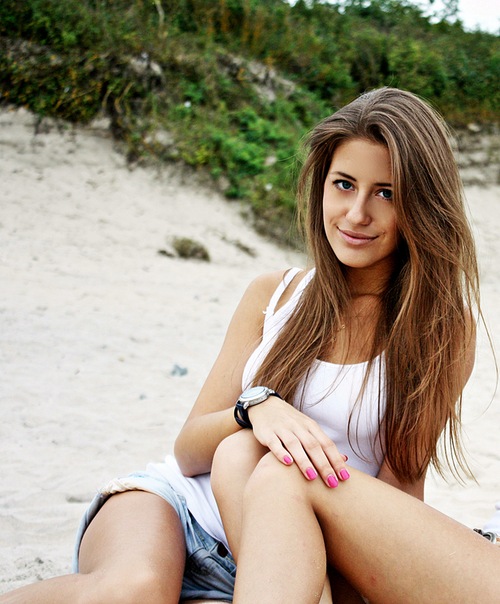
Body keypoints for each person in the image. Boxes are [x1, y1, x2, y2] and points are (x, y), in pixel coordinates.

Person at [0, 86, 493, 603]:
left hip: (289, 557)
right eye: (344, 184)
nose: (355, 214)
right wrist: (256, 409)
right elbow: (188, 450)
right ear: (321, 186)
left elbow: (397, 496)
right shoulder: (274, 295)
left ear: (421, 205)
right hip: (182, 513)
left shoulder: (437, 332)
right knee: (134, 590)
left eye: (385, 193)